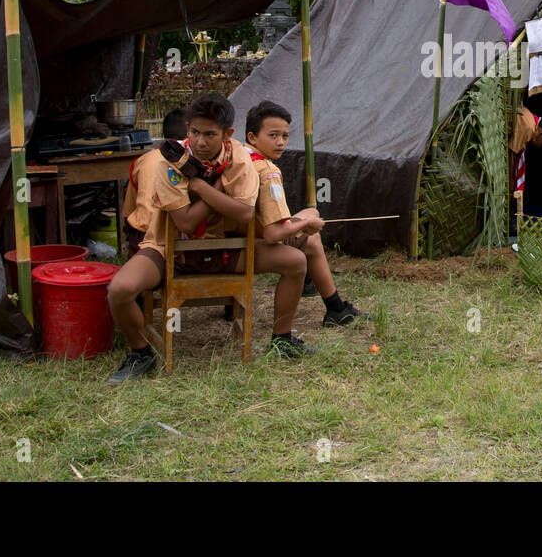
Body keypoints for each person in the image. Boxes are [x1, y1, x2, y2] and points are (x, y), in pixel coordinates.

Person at [105, 94, 307, 382]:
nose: (200, 142)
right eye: (194, 132)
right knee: (120, 290)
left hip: (226, 249)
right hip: (170, 251)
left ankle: (282, 339)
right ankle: (141, 353)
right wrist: (219, 190)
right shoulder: (170, 160)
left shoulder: (239, 157)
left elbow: (244, 214)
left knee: (296, 261)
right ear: (188, 128)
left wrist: (200, 186)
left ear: (227, 135)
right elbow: (185, 220)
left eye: (210, 134)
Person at [245, 100, 369, 331]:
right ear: (253, 137)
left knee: (310, 212)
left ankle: (330, 302)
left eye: (284, 136)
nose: (281, 142)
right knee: (311, 237)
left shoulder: (240, 157)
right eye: (273, 135)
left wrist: (305, 220)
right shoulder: (267, 171)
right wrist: (308, 224)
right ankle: (333, 307)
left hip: (240, 236)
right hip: (249, 244)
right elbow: (273, 234)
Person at [123, 107, 188, 248]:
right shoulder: (190, 160)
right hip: (176, 236)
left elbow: (128, 210)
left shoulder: (143, 160)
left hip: (141, 233)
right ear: (191, 133)